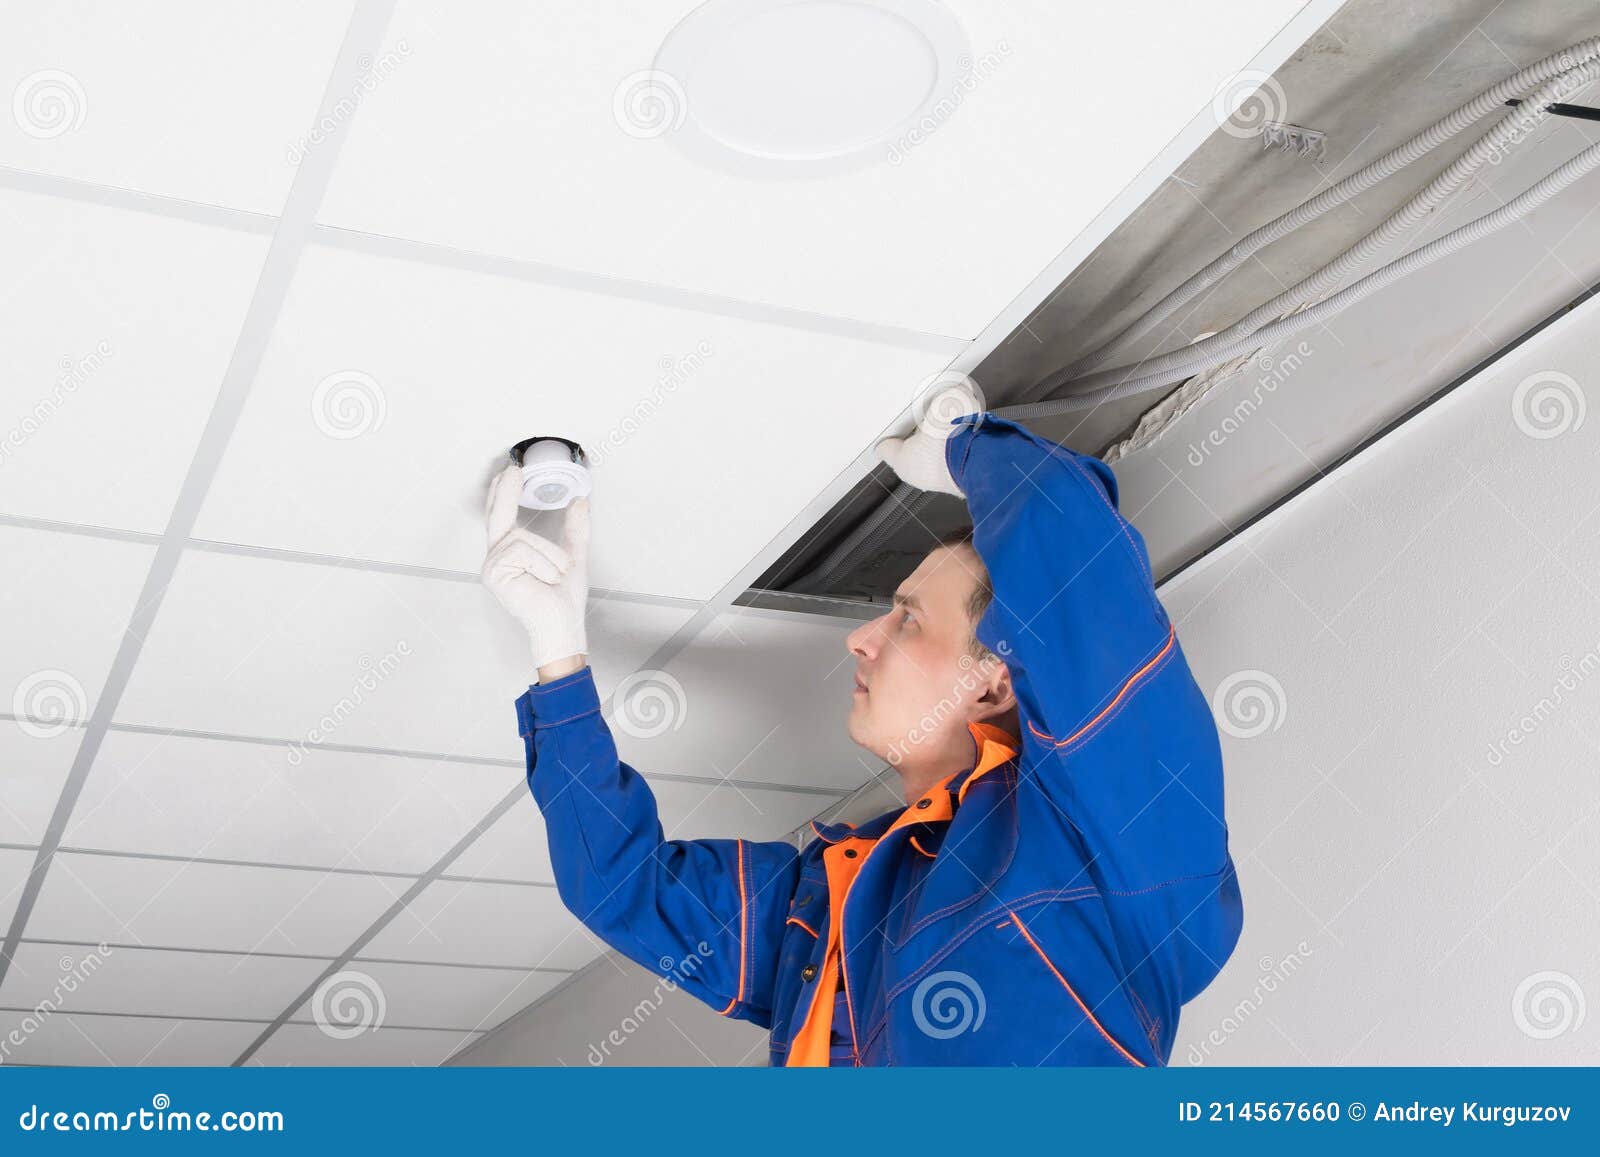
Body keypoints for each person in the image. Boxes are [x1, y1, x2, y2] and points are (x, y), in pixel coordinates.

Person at [483, 408, 1243, 1066]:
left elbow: (1078, 565)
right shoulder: (831, 903)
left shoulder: (1105, 843)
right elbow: (624, 886)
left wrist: (965, 442)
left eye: (908, 617)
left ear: (994, 680)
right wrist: (559, 654)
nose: (862, 639)